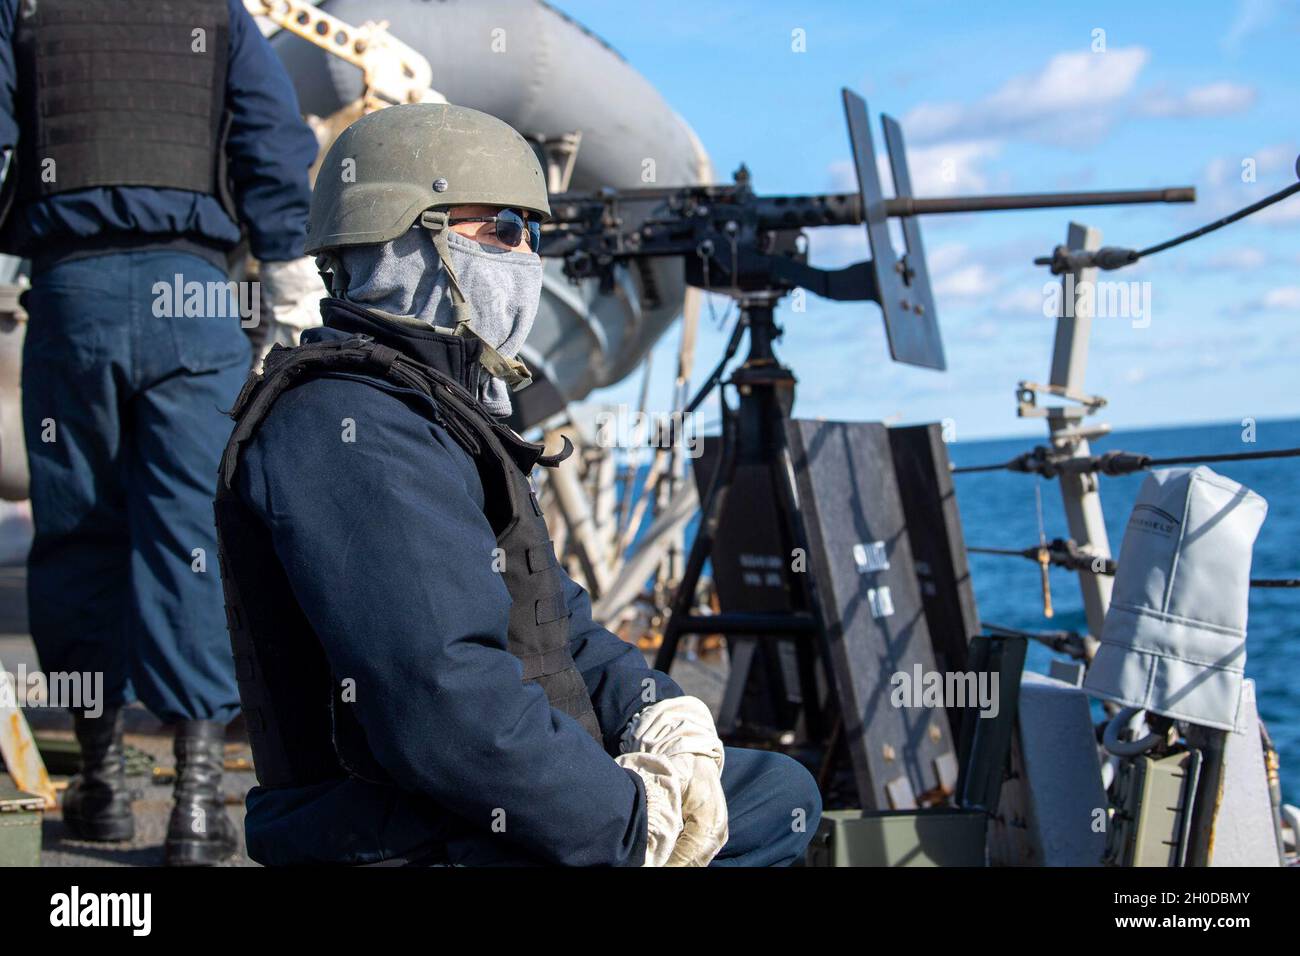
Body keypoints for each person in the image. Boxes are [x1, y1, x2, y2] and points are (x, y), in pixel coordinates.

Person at [214, 102, 822, 865]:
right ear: (407, 239)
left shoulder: (436, 416)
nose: (528, 255)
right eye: (504, 228)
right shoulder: (351, 427)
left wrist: (663, 718)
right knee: (758, 815)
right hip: (393, 827)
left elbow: (558, 626)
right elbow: (443, 703)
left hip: (465, 799)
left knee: (775, 792)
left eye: (535, 233)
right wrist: (625, 823)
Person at [0, 0, 319, 865]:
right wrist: (290, 279)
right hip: (196, 299)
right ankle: (197, 802)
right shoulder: (215, 13)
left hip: (73, 298)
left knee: (77, 534)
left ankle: (101, 784)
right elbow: (271, 141)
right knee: (195, 542)